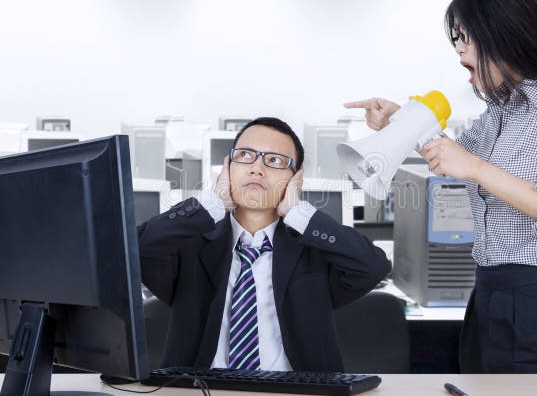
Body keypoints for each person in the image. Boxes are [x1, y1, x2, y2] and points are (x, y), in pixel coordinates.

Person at [346, 0, 537, 373]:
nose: (459, 51)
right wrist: (399, 120)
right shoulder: (500, 111)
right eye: (456, 38)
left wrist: (475, 167)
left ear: (505, 30)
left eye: (465, 37)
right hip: (489, 294)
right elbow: (449, 154)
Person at [137, 117, 391, 372]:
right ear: (227, 167)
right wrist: (213, 203)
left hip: (298, 392)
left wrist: (297, 213)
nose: (257, 168)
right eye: (245, 155)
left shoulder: (313, 251)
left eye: (275, 160)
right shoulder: (190, 246)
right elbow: (135, 251)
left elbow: (373, 267)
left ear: (296, 177)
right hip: (200, 391)